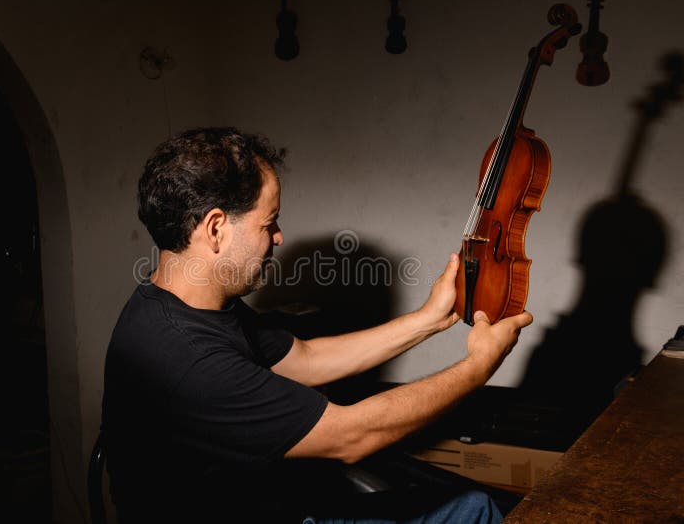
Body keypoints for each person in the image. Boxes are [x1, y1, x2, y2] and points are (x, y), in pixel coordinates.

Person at [101, 127, 533, 523]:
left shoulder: (195, 304)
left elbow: (306, 358)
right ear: (215, 229)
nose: (279, 237)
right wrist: (480, 365)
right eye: (268, 223)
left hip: (280, 506)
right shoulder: (184, 356)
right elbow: (352, 437)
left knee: (474, 507)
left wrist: (428, 320)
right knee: (474, 514)